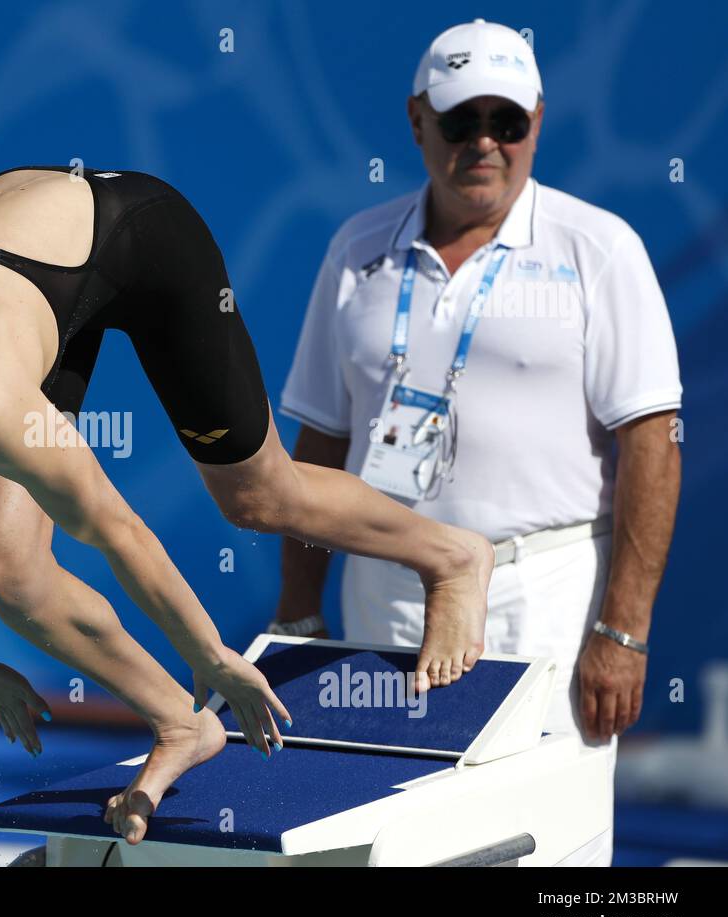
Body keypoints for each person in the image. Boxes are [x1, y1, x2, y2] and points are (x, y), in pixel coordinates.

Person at [0, 163, 494, 843]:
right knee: (6, 569)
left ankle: (451, 556)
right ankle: (180, 723)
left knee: (258, 497)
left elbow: (113, 527)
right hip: (11, 279)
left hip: (136, 241)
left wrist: (210, 654)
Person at [273, 21, 682, 866]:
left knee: (548, 846)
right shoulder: (356, 250)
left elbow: (652, 442)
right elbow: (321, 440)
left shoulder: (598, 250)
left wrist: (625, 632)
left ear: (538, 117)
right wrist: (299, 610)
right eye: (461, 123)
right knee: (382, 834)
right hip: (383, 593)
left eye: (507, 122)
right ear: (418, 121)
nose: (485, 144)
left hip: (544, 599)